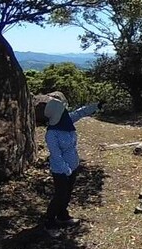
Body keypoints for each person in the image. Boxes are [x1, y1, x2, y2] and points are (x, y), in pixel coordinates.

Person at [40, 92, 98, 231]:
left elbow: (80, 112)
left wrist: (96, 106)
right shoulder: (52, 134)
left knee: (67, 194)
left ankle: (62, 216)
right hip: (61, 170)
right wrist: (66, 170)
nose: (66, 112)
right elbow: (56, 155)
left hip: (73, 165)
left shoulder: (66, 121)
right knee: (60, 196)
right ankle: (49, 222)